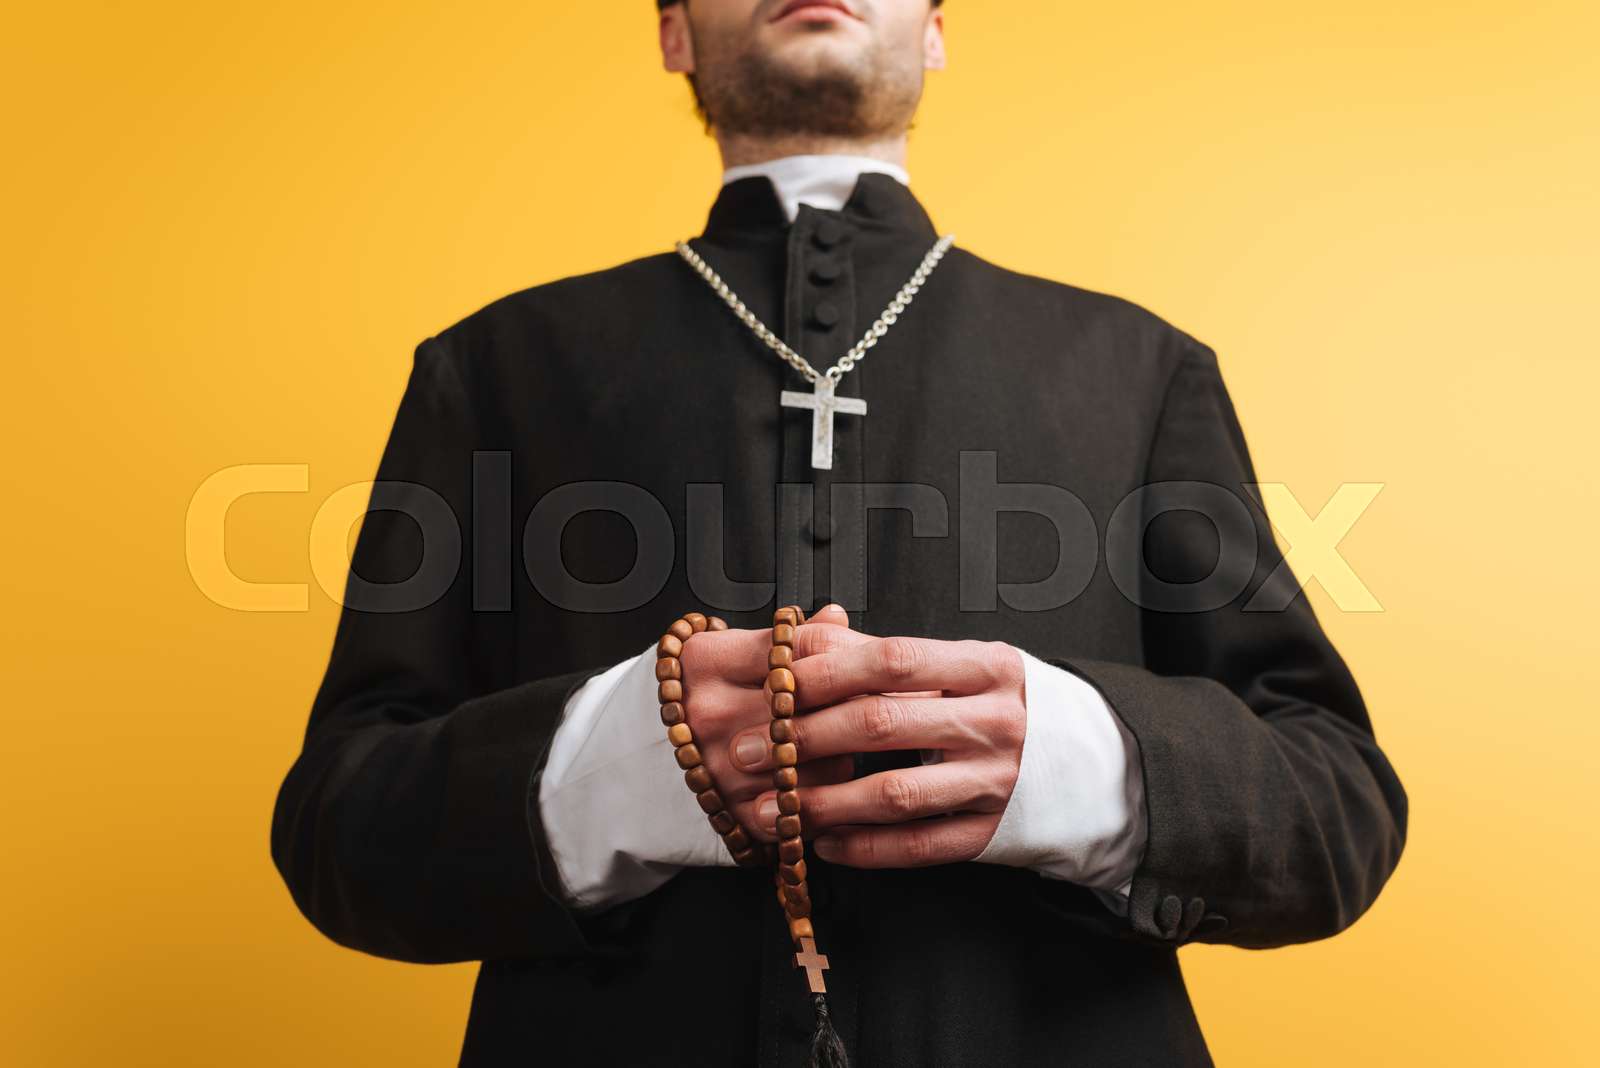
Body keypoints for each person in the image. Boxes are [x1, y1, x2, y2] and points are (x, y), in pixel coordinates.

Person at [270, 2, 1409, 1064]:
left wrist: (1080, 762)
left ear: (937, 29)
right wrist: (613, 765)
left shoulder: (1141, 367)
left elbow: (1339, 811)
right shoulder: (491, 367)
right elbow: (339, 830)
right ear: (672, 33)